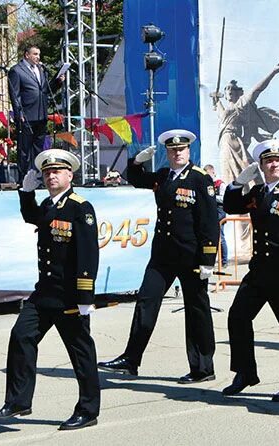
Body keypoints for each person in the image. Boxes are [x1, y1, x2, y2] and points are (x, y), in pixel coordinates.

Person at [98, 130, 220, 383]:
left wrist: (208, 258)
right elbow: (135, 178)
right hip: (163, 254)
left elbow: (209, 222)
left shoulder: (200, 179)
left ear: (189, 152)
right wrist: (136, 161)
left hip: (191, 256)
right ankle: (131, 359)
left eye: (181, 150)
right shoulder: (164, 176)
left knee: (196, 310)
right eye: (172, 150)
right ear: (167, 153)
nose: (176, 154)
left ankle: (203, 367)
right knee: (146, 300)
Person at [0, 149, 100, 430]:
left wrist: (86, 297)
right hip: (45, 293)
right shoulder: (49, 205)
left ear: (69, 175)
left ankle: (88, 410)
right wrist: (25, 193)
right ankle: (18, 401)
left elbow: (88, 254)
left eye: (57, 172)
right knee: (21, 336)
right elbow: (32, 216)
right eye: (47, 173)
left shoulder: (80, 207)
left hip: (70, 296)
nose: (51, 176)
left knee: (80, 352)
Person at [220, 139, 279, 402]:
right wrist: (237, 184)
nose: (274, 165)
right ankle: (245, 372)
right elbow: (231, 206)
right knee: (238, 317)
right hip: (259, 271)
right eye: (268, 161)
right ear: (261, 166)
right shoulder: (259, 193)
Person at [8, 44, 65, 181]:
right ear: (27, 55)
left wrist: (57, 82)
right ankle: (23, 179)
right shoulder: (16, 70)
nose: (38, 57)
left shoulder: (41, 69)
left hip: (41, 114)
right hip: (26, 115)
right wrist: (18, 114)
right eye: (35, 54)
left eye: (39, 54)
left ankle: (39, 177)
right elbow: (14, 95)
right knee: (24, 149)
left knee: (38, 149)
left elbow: (45, 90)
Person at [205, 164, 229, 268]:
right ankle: (210, 259)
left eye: (208, 174)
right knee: (209, 237)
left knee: (220, 237)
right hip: (209, 213)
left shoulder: (220, 184)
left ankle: (224, 260)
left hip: (219, 212)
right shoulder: (206, 184)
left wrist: (212, 197)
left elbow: (225, 199)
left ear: (213, 172)